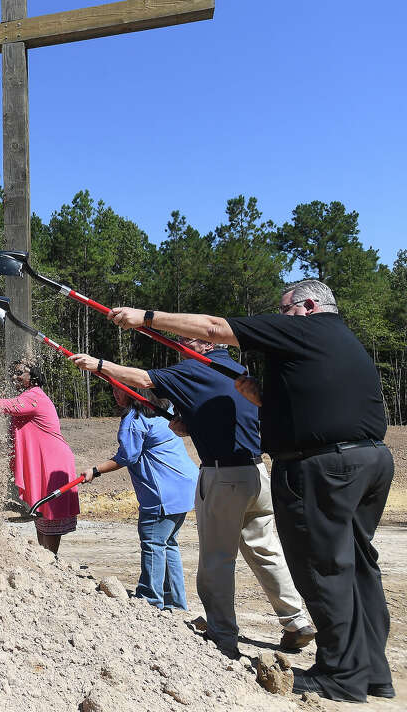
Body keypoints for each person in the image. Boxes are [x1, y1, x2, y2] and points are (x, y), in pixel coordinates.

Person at [104, 281, 393, 702]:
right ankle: (372, 672)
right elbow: (314, 401)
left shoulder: (304, 329)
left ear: (308, 306)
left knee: (323, 567)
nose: (279, 316)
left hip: (321, 466)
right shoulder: (342, 342)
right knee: (359, 565)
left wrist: (145, 318)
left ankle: (342, 675)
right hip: (370, 459)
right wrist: (263, 399)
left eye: (284, 309)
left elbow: (214, 327)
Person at [68, 339, 314, 658]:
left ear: (209, 343)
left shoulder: (195, 369)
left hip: (223, 475)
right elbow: (225, 417)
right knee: (266, 549)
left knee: (217, 558)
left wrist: (99, 365)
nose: (181, 343)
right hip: (256, 472)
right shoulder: (236, 370)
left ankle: (222, 632)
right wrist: (192, 425)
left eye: (189, 339)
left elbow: (142, 379)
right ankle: (295, 620)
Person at [81, 386, 197, 611]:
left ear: (132, 390)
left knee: (153, 542)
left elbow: (127, 456)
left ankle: (150, 602)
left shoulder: (134, 420)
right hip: (185, 486)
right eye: (112, 390)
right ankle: (175, 603)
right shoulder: (164, 409)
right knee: (167, 544)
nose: (115, 395)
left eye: (119, 390)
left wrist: (95, 470)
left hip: (162, 493)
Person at [0, 361, 77, 554]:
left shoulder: (34, 396)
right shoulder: (28, 396)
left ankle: (50, 559)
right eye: (13, 374)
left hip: (52, 462)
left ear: (33, 376)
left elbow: (7, 405)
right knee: (41, 513)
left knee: (49, 514)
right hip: (43, 460)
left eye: (20, 373)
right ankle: (45, 557)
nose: (14, 377)